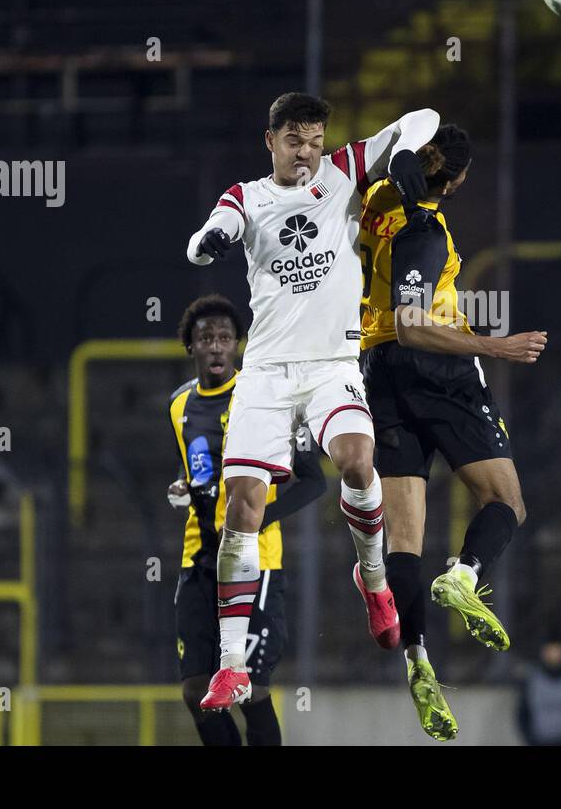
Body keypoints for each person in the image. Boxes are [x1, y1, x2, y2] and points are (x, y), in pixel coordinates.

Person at [186, 92, 440, 709]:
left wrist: (402, 152)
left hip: (331, 364)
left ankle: (375, 583)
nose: (307, 152)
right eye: (295, 141)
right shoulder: (246, 197)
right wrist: (213, 241)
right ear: (269, 140)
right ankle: (231, 665)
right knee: (241, 508)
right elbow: (205, 237)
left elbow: (422, 118)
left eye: (315, 140)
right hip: (267, 373)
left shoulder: (345, 170)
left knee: (357, 458)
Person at [358, 124, 548, 739]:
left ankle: (417, 659)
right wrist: (497, 346)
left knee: (402, 546)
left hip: (378, 374)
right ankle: (464, 574)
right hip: (439, 372)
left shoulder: (372, 203)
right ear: (457, 179)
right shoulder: (426, 230)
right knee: (507, 503)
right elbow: (414, 324)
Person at [168, 295, 325, 745]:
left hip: (257, 563)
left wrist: (260, 519)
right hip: (197, 559)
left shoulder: (267, 399)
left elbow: (314, 482)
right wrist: (182, 486)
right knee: (196, 691)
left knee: (250, 690)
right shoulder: (178, 405)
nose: (216, 347)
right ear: (191, 347)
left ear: (238, 345)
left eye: (224, 338)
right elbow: (196, 467)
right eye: (205, 339)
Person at [516, 636, 561, 746]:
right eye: (550, 651)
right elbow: (522, 713)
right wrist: (530, 739)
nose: (554, 655)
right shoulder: (532, 681)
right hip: (541, 741)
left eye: (558, 650)